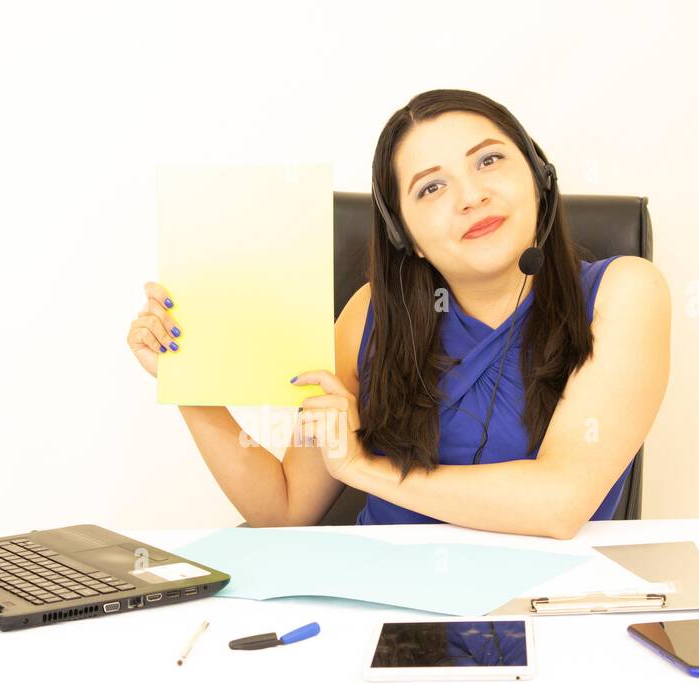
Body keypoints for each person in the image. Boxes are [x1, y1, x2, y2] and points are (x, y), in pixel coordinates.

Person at [126, 89, 670, 538]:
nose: (471, 195)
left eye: (489, 160)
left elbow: (558, 503)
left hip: (545, 608)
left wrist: (363, 469)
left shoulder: (623, 292)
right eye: (431, 187)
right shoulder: (370, 316)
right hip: (379, 603)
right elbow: (285, 511)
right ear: (403, 234)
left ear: (539, 178)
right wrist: (186, 381)